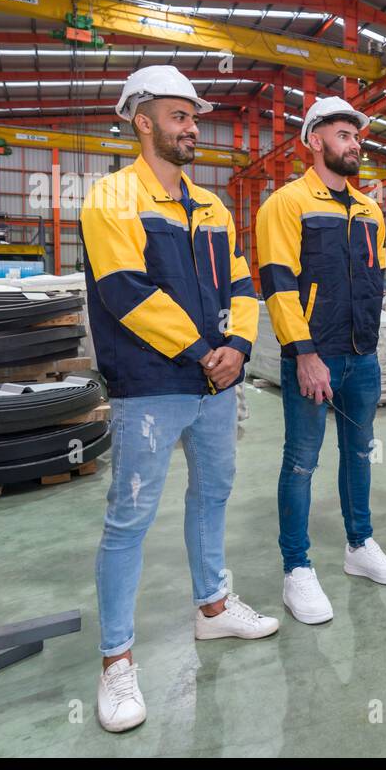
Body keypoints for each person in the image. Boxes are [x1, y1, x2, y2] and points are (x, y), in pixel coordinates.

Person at [81, 65, 278, 734]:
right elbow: (124, 290)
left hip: (217, 386)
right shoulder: (111, 197)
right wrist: (204, 350)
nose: (193, 126)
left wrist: (240, 350)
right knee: (129, 520)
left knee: (214, 494)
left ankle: (213, 609)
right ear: (143, 121)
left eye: (195, 116)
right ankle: (116, 659)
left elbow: (245, 286)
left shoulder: (213, 206)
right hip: (149, 388)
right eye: (179, 115)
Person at [255, 95, 386, 628]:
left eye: (357, 136)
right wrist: (305, 353)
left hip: (363, 357)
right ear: (315, 140)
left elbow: (371, 282)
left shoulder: (368, 210)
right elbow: (277, 284)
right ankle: (296, 568)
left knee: (360, 453)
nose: (355, 144)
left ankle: (359, 544)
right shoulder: (286, 203)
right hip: (315, 358)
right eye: (344, 135)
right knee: (301, 461)